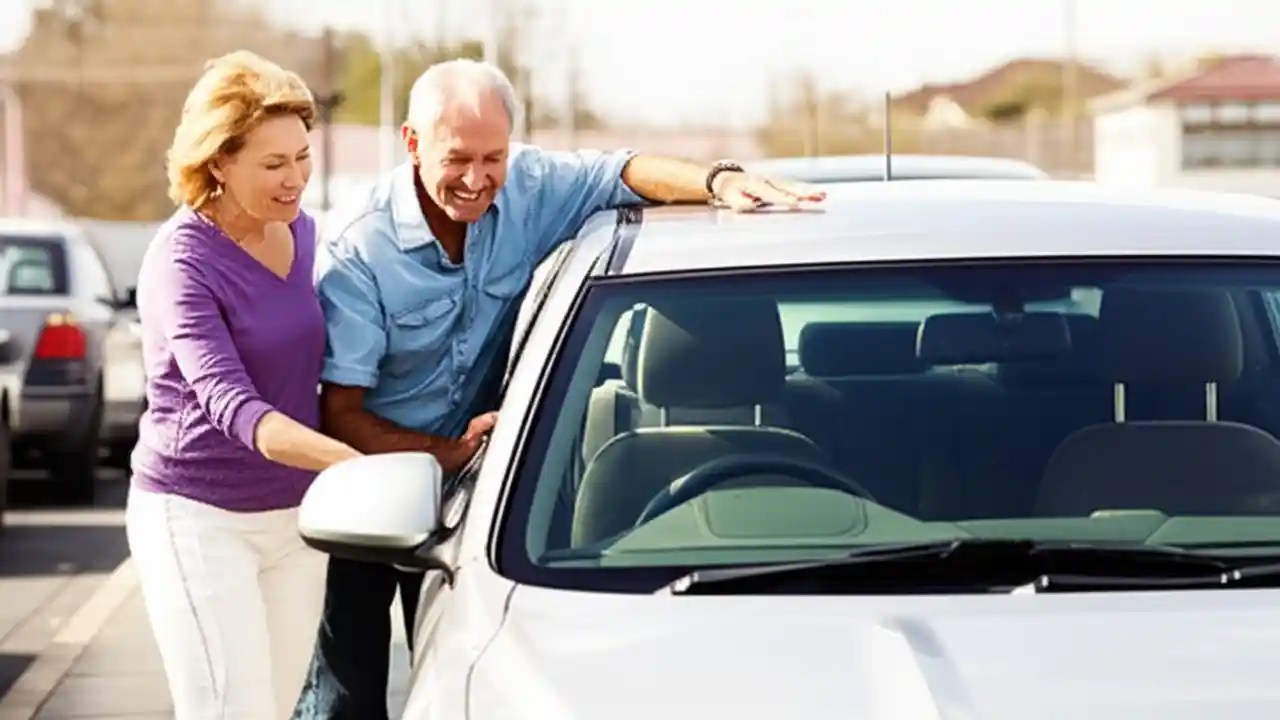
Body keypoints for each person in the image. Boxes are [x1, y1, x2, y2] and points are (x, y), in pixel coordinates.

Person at [293, 58, 825, 719]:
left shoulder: (529, 190)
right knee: (343, 700)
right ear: (411, 143)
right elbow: (340, 412)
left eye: (494, 157)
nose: (478, 179)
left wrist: (720, 181)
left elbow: (621, 172)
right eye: (458, 157)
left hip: (490, 501)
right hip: (379, 478)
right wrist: (447, 452)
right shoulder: (360, 251)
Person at [126, 50, 363, 719]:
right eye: (272, 164)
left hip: (293, 521)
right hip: (198, 516)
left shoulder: (306, 234)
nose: (296, 180)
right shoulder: (182, 262)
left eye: (302, 156)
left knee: (274, 708)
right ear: (219, 163)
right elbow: (239, 411)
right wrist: (361, 467)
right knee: (232, 711)